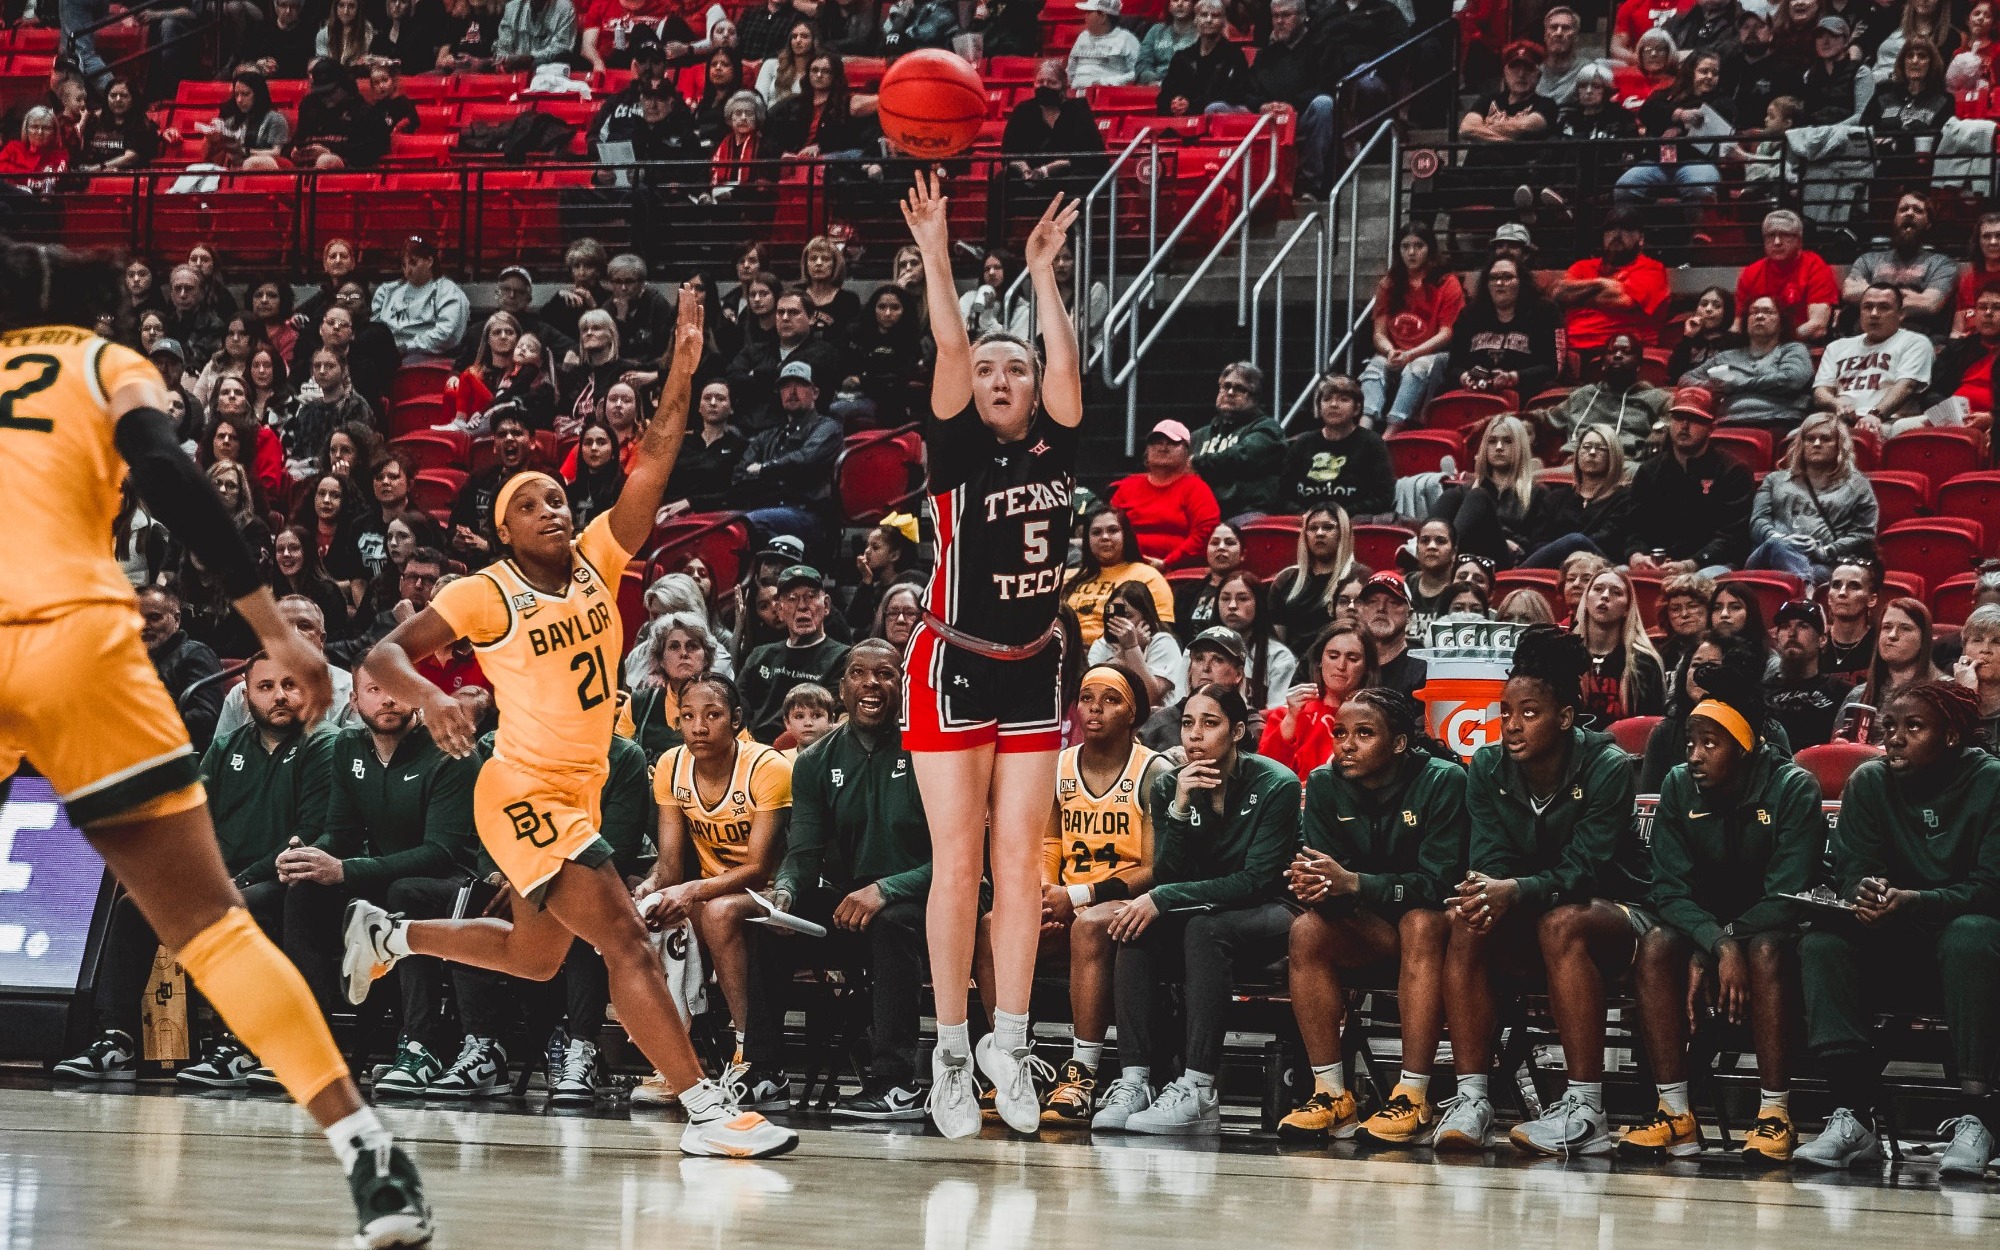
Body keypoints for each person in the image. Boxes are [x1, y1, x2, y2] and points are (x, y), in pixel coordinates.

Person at [0, 241, 433, 1243]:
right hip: (76, 637)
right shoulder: (106, 362)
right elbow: (165, 471)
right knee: (210, 925)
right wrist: (273, 627)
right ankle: (368, 1153)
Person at [343, 286, 798, 1160]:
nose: (553, 508)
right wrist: (437, 696)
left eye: (558, 495)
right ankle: (705, 1111)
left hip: (579, 790)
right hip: (519, 792)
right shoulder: (486, 591)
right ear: (502, 528)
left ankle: (391, 935)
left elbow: (657, 457)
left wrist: (680, 374)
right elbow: (383, 659)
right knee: (624, 933)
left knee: (536, 956)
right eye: (531, 502)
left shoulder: (596, 558)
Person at [896, 174, 1084, 1139]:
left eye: (1016, 369)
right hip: (953, 661)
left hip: (1036, 661)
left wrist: (1044, 276)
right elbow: (949, 344)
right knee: (958, 865)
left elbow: (1063, 367)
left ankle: (1012, 1042)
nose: (1002, 378)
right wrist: (936, 254)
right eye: (991, 370)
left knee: (1023, 864)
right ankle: (951, 1048)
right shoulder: (954, 453)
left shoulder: (1062, 441)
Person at [1433, 627, 1649, 1155]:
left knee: (1563, 920)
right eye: (1505, 712)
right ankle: (1472, 1098)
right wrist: (1492, 890)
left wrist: (1514, 890)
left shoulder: (1608, 765)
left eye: (1528, 713)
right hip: (1529, 909)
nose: (1511, 725)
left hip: (1621, 912)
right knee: (1465, 914)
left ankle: (1587, 1108)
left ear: (1565, 718)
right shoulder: (1486, 766)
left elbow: (1586, 871)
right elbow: (1488, 857)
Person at [1797, 681, 2000, 1174]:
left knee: (1970, 933)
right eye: (1890, 727)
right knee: (1823, 942)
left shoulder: (1991, 780)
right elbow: (1853, 871)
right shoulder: (1869, 781)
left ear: (1952, 736)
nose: (1895, 738)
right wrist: (1866, 892)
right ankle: (1854, 1117)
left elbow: (1991, 888)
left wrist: (1917, 901)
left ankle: (1979, 1118)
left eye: (1914, 727)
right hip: (1898, 937)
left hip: (1970, 944)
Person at [1623, 652, 1818, 1160]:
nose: (1693, 754)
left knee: (1768, 951)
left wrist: (1724, 941)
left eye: (1710, 743)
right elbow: (1667, 889)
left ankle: (1775, 1115)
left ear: (1746, 748)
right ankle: (1676, 1114)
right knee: (1656, 943)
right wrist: (1715, 942)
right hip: (1705, 928)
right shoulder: (1675, 786)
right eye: (1690, 742)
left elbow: (1788, 894)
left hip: (1776, 927)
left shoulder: (1792, 787)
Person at [1089, 685, 1301, 1133]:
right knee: (1136, 925)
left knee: (1203, 929)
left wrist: (1165, 898)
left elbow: (1256, 881)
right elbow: (1168, 875)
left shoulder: (1276, 784)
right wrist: (1181, 809)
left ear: (1238, 730)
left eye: (1210, 723)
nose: (1195, 736)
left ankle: (1199, 1088)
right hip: (1202, 913)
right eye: (1188, 724)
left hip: (1273, 912)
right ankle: (1136, 1082)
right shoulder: (1170, 784)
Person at [752, 641, 935, 1118]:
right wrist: (786, 893)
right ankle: (765, 1073)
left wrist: (886, 889)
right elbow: (804, 852)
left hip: (929, 896)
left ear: (904, 685)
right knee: (769, 929)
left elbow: (963, 861)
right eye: (858, 673)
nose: (871, 684)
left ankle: (894, 1083)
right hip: (852, 901)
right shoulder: (813, 761)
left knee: (891, 923)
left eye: (885, 674)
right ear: (841, 689)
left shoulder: (932, 750)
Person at [1278, 689, 1466, 1143]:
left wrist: (1356, 883)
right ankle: (1332, 1095)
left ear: (1400, 743)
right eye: (1340, 733)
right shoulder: (1324, 784)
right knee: (1306, 930)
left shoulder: (1444, 781)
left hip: (1436, 931)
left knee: (1419, 920)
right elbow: (1329, 875)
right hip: (1370, 926)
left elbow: (1440, 883)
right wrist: (1316, 886)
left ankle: (1413, 1096)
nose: (1346, 744)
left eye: (1364, 734)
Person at [1023, 662, 1167, 1119]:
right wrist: (1046, 892)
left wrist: (1078, 896)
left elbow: (1154, 868)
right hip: (1067, 898)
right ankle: (1008, 1067)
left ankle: (1080, 1073)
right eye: (1087, 698)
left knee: (1088, 926)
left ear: (1133, 714)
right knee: (994, 927)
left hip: (1123, 902)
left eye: (1110, 700)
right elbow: (1048, 840)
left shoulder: (1154, 771)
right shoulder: (1058, 765)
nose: (1095, 710)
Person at [641, 675, 792, 1106]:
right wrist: (652, 888)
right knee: (660, 911)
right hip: (708, 889)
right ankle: (677, 1057)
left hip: (772, 894)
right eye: (688, 716)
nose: (699, 727)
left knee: (717, 912)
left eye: (713, 715)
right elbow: (670, 865)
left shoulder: (768, 767)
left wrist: (692, 891)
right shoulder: (671, 765)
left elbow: (759, 868)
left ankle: (750, 1051)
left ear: (737, 719)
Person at [1624, 388, 1754, 573]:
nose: (1684, 426)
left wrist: (1693, 563)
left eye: (1695, 420)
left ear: (1711, 427)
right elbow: (1634, 527)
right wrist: (1636, 555)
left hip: (1711, 564)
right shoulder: (1649, 470)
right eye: (1678, 418)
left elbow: (1731, 536)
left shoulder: (1733, 471)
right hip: (1657, 562)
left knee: (1703, 578)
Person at [1747, 412, 1877, 581]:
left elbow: (1863, 533)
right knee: (1778, 545)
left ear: (1839, 444)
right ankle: (1806, 596)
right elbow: (1757, 522)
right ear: (1801, 443)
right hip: (1768, 557)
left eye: (1825, 439)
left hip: (1824, 563)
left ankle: (1803, 588)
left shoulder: (1857, 485)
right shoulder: (1774, 480)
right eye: (1810, 438)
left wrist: (1824, 551)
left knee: (1822, 573)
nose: (1816, 444)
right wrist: (1782, 538)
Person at [1363, 224, 1464, 431]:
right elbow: (1379, 333)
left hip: (1433, 354)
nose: (1411, 252)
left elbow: (1446, 333)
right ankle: (1364, 428)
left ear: (1430, 249)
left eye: (1418, 246)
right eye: (1405, 246)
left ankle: (1392, 431)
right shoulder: (1389, 284)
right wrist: (1391, 351)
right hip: (1395, 351)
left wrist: (1411, 354)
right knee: (1374, 368)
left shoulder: (1447, 283)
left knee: (1415, 368)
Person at [733, 360, 843, 549]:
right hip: (766, 510)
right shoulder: (766, 437)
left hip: (807, 515)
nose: (792, 392)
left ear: (815, 393)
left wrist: (764, 469)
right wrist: (783, 473)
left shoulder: (828, 427)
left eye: (799, 385)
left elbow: (805, 460)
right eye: (785, 386)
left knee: (748, 524)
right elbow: (739, 477)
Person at [739, 564, 851, 741]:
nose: (802, 606)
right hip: (755, 751)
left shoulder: (843, 658)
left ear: (827, 605)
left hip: (809, 750)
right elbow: (738, 707)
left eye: (811, 596)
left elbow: (836, 719)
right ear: (780, 610)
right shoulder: (759, 655)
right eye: (792, 598)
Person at [1815, 285, 1934, 437]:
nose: (1874, 314)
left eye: (1884, 307)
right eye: (1867, 307)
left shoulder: (1915, 342)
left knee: (1867, 434)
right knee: (1796, 435)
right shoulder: (1837, 347)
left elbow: (1906, 386)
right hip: (1840, 420)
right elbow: (1820, 391)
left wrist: (1875, 414)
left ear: (1901, 314)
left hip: (1888, 420)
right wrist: (1836, 404)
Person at [1258, 622, 1375, 774]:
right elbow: (1266, 775)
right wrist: (1291, 719)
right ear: (1319, 660)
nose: (1341, 665)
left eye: (1352, 659)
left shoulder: (1376, 719)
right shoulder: (1289, 713)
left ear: (1367, 667)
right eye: (1333, 656)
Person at [1432, 416, 1549, 567]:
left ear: (1520, 446)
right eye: (1492, 441)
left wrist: (1506, 539)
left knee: (1478, 496)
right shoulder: (1464, 491)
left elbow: (1536, 546)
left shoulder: (1538, 493)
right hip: (1467, 553)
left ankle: (1443, 560)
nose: (1499, 447)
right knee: (1451, 495)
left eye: (1507, 441)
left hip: (1505, 560)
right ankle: (1423, 552)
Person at [1532, 332, 1668, 459]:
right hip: (1577, 462)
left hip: (1624, 463)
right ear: (1602, 364)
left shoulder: (1656, 398)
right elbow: (1544, 418)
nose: (1618, 355)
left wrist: (1661, 428)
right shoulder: (1583, 395)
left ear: (1639, 365)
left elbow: (1677, 417)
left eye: (1626, 352)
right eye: (1611, 352)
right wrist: (1523, 422)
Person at [1520, 425, 1637, 570]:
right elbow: (1538, 543)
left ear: (1613, 455)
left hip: (1602, 569)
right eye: (1586, 447)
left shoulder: (1625, 498)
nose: (1592, 452)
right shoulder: (1555, 498)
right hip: (1555, 568)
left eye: (1600, 448)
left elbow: (1608, 540)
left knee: (1576, 540)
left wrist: (1568, 548)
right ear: (1577, 453)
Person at [1554, 208, 1671, 353]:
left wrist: (1578, 297)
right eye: (1611, 229)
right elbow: (1559, 293)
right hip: (1571, 349)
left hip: (1622, 351)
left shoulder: (1652, 269)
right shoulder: (1582, 267)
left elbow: (1622, 301)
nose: (1617, 234)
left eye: (1626, 229)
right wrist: (1602, 284)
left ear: (1641, 239)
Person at [1107, 420, 1221, 571]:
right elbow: (1109, 526)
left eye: (1172, 443)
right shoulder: (1128, 485)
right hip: (1125, 566)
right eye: (1156, 442)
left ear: (1187, 452)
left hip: (1176, 571)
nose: (1163, 447)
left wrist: (1167, 562)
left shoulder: (1196, 488)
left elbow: (1204, 533)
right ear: (1147, 450)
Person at [1685, 295, 1815, 426]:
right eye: (1754, 312)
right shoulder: (1727, 357)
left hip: (1779, 420)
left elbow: (1792, 379)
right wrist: (1711, 386)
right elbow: (1686, 379)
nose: (1759, 316)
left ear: (1782, 324)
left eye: (1768, 312)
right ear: (1746, 322)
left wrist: (1737, 384)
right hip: (1728, 422)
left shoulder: (1793, 349)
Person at [1844, 192, 1957, 340]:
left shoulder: (1941, 263)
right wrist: (1908, 296)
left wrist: (1870, 293)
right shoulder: (1868, 259)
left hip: (1915, 339)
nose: (1910, 213)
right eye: (1903, 209)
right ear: (1894, 219)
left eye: (1918, 210)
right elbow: (1849, 292)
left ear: (1928, 223)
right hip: (1865, 336)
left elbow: (1931, 304)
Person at [726, 289, 843, 432]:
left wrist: (755, 374)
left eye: (793, 312)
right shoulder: (755, 350)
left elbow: (791, 381)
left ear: (812, 318)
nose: (785, 318)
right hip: (745, 429)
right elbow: (732, 379)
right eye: (780, 312)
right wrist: (775, 380)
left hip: (797, 432)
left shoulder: (824, 352)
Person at [1280, 373, 1394, 519]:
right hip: (1306, 522)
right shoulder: (1302, 444)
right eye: (1327, 399)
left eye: (1343, 400)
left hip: (1353, 523)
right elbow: (1283, 496)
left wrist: (1339, 516)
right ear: (1319, 407)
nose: (1333, 405)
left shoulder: (1372, 443)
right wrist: (1307, 515)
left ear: (1356, 409)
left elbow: (1383, 497)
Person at [1445, 256, 1560, 399]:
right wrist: (1465, 377)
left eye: (1507, 277)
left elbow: (1552, 367)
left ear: (1521, 282)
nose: (1499, 283)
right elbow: (1453, 367)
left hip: (1527, 391)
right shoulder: (1469, 315)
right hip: (1475, 393)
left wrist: (1513, 378)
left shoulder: (1545, 311)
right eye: (1493, 278)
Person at [1064, 505, 1178, 648]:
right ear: (1086, 539)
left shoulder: (1148, 576)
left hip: (1117, 653)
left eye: (1113, 530)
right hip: (1068, 654)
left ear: (1126, 535)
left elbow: (1161, 633)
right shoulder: (1067, 578)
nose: (1105, 537)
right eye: (1096, 532)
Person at [1189, 361, 1286, 522]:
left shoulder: (1268, 430)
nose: (1230, 392)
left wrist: (1197, 462)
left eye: (1240, 389)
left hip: (1245, 514)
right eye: (1225, 386)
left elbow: (1242, 455)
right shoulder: (1199, 435)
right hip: (1202, 514)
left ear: (1256, 397)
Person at [1575, 566, 1667, 727]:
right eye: (1597, 589)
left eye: (1616, 592)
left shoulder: (1644, 662)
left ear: (1627, 608)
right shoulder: (1565, 655)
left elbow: (1648, 728)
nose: (1604, 596)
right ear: (1586, 599)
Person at [1734, 210, 1837, 343]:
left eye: (1785, 235)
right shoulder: (1751, 272)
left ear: (1799, 240)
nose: (1777, 242)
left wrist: (1777, 341)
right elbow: (1738, 323)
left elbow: (1817, 325)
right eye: (1771, 235)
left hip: (1802, 343)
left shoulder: (1815, 266)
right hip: (1758, 345)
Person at [1267, 504, 1358, 647]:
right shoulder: (1285, 579)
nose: (1319, 533)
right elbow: (1276, 646)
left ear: (1343, 533)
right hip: (1293, 665)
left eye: (1328, 527)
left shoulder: (1359, 578)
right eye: (1312, 528)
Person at [371, 236, 468, 367]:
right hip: (388, 355)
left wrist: (407, 347)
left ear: (429, 261)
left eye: (413, 263)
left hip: (430, 358)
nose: (407, 270)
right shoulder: (387, 291)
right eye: (404, 264)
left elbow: (446, 333)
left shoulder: (448, 291)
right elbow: (375, 329)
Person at [1764, 599, 1851, 747]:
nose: (1792, 633)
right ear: (1777, 639)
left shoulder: (1841, 693)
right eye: (1785, 627)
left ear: (1822, 640)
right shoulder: (1760, 692)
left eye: (1803, 626)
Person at [1843, 596, 1942, 724]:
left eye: (1905, 628)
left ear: (1924, 639)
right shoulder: (1858, 696)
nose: (1892, 635)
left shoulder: (1944, 693)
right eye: (1886, 627)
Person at [1086, 581, 1182, 704]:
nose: (1119, 621)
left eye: (1127, 616)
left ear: (1145, 617)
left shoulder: (1162, 642)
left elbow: (1150, 697)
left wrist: (1132, 648)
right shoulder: (1101, 645)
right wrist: (1126, 651)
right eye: (1115, 615)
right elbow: (1094, 690)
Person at [1158, 0, 1251, 116]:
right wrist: (1174, 102)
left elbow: (1229, 94)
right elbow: (1166, 93)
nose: (1209, 20)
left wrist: (1190, 105)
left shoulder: (1234, 55)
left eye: (1215, 16)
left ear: (1223, 22)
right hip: (1180, 120)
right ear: (1195, 20)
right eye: (1203, 15)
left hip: (1213, 119)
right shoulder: (1182, 57)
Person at [1358, 571, 1428, 697]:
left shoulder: (1423, 668)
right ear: (1361, 610)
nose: (1381, 608)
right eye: (1372, 601)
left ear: (1410, 615)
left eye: (1393, 602)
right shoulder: (1345, 659)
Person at [1173, 521, 1244, 643]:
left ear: (1243, 554)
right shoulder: (1185, 594)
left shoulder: (1251, 594)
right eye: (1215, 543)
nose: (1221, 547)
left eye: (1229, 542)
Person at [1822, 559, 1881, 682]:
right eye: (1836, 585)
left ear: (1872, 599)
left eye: (1854, 586)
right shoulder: (1814, 642)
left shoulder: (1881, 645)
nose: (1842, 593)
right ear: (1828, 597)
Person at [1067, 0, 1141, 87]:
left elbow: (1139, 71)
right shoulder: (1082, 37)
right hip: (1077, 94)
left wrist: (1106, 82)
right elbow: (1071, 68)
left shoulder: (1126, 39)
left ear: (1103, 17)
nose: (1085, 16)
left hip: (1106, 94)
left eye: (1089, 12)